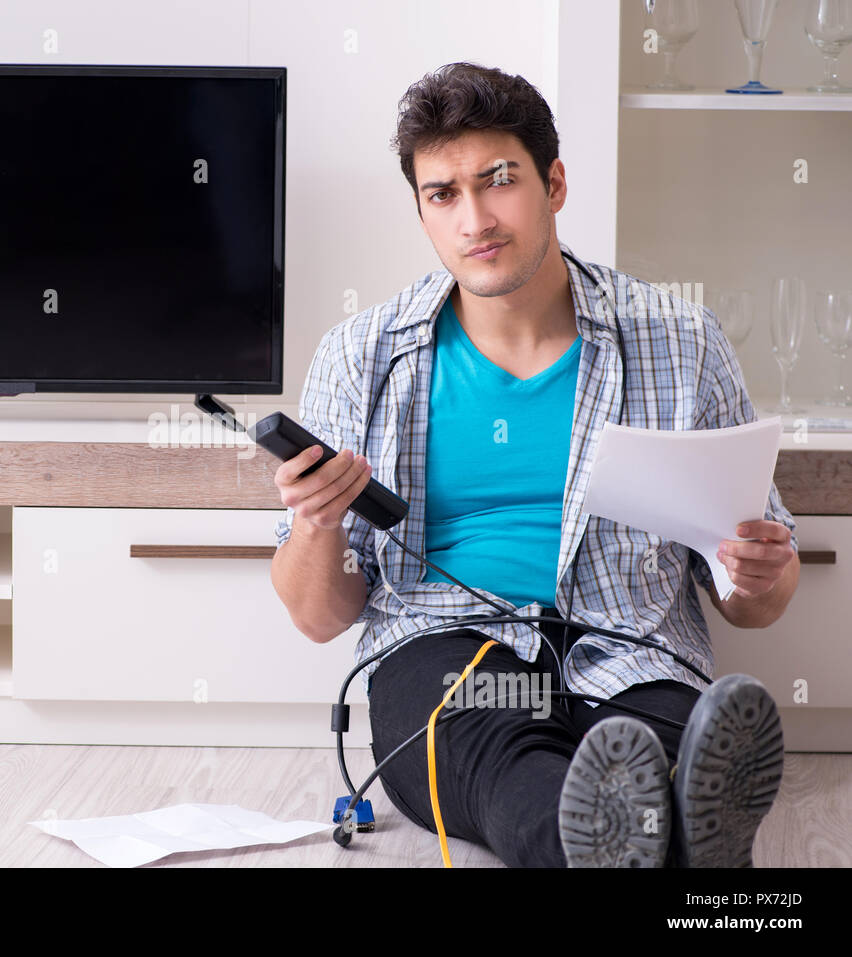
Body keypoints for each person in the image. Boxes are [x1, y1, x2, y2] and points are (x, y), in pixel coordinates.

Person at [269, 61, 798, 867]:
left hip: (631, 650)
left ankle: (672, 815)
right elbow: (317, 617)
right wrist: (318, 518)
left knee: (650, 748)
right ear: (422, 212)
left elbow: (754, 600)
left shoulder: (681, 339)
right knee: (503, 765)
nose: (475, 217)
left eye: (498, 180)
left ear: (553, 183)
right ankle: (673, 845)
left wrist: (761, 574)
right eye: (443, 194)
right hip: (446, 649)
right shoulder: (362, 356)